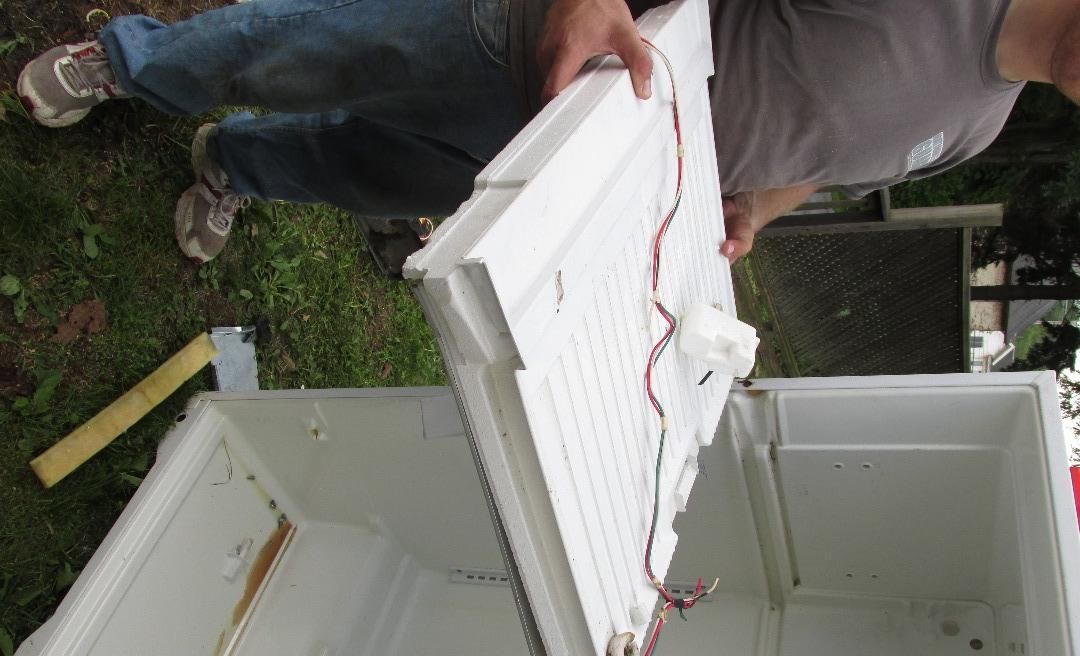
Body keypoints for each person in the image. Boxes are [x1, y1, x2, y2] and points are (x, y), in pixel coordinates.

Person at [15, 0, 1079, 265]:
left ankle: (233, 163)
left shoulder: (980, 126)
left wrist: (759, 202)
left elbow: (821, 159)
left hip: (580, 166)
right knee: (310, 47)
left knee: (368, 170)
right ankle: (125, 65)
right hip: (544, 44)